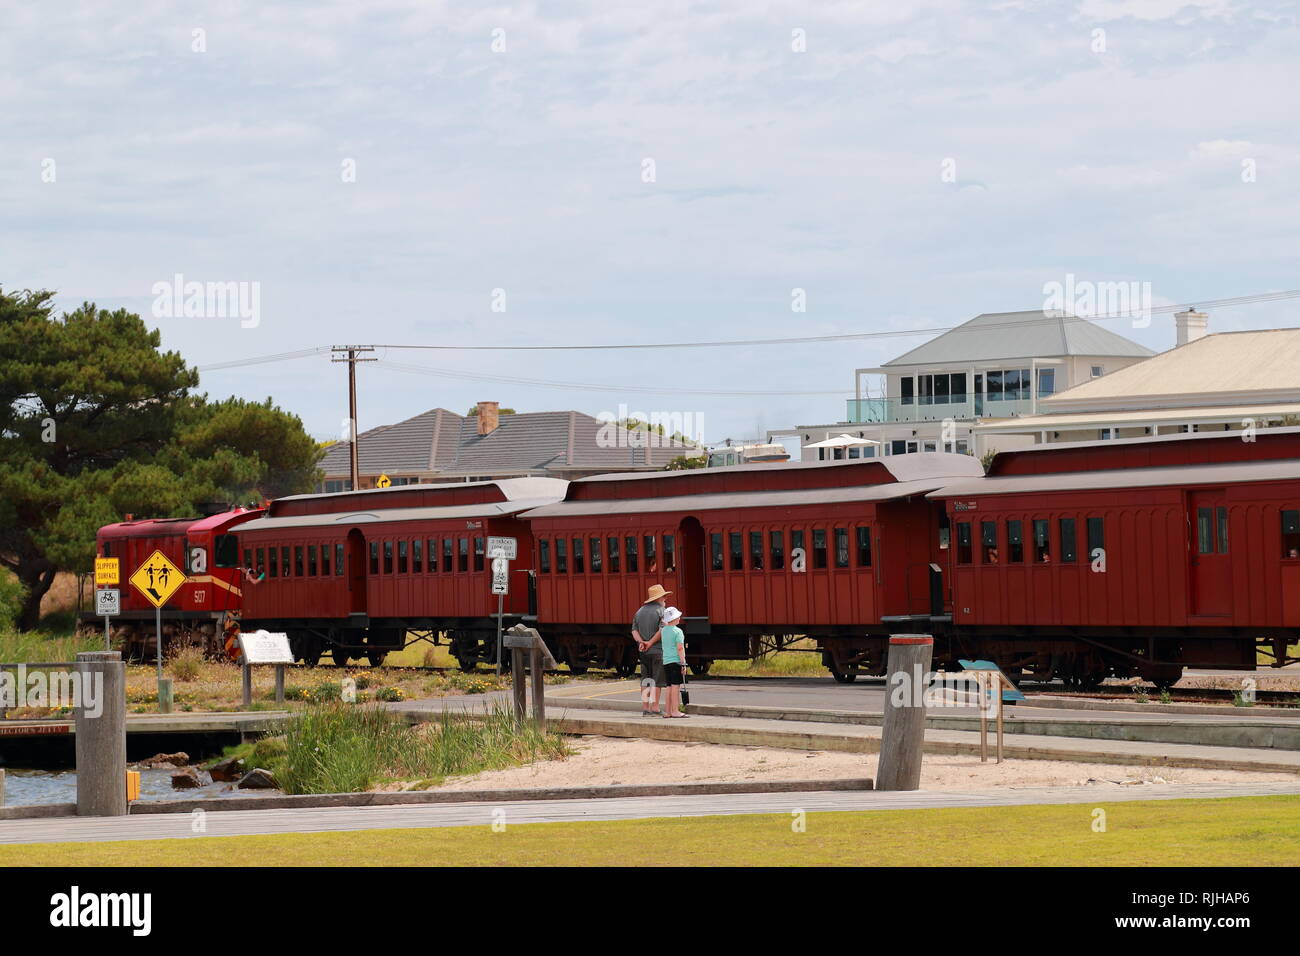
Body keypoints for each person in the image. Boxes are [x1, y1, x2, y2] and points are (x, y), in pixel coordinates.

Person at [631, 584, 670, 717]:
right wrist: (650, 642)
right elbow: (662, 630)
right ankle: (655, 708)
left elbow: (634, 630)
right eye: (664, 596)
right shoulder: (662, 611)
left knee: (645, 680)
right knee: (657, 680)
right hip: (658, 650)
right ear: (659, 598)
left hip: (643, 651)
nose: (665, 598)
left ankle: (645, 708)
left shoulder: (639, 611)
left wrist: (641, 642)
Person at [659, 606, 688, 718]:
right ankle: (675, 711)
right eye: (678, 617)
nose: (679, 618)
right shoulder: (678, 631)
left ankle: (668, 711)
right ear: (675, 619)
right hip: (676, 661)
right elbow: (680, 648)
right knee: (676, 687)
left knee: (669, 687)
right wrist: (683, 663)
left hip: (666, 661)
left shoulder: (664, 631)